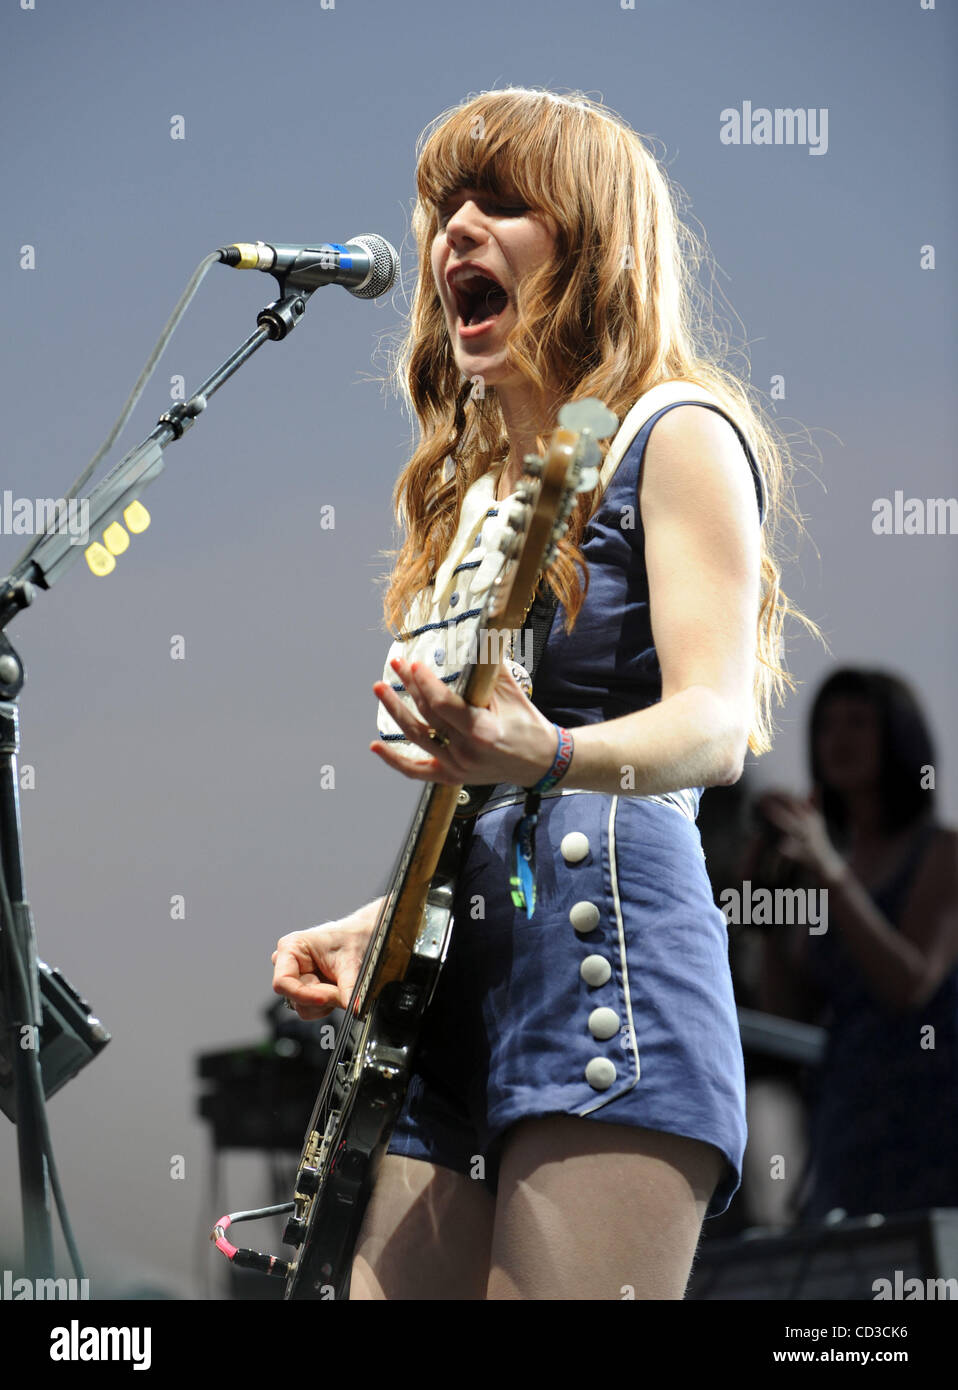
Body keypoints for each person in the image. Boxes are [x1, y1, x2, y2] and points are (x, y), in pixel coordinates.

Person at [271, 86, 817, 1300]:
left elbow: (716, 726)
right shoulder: (475, 502)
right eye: (444, 205)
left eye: (504, 202)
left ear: (591, 244)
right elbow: (482, 797)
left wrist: (550, 757)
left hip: (610, 966)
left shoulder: (672, 431)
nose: (454, 228)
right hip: (464, 989)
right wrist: (384, 922)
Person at [757, 668, 958, 1223]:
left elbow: (910, 984)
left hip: (931, 1113)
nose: (838, 740)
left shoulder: (941, 852)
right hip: (845, 1117)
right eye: (827, 726)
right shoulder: (823, 865)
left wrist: (828, 870)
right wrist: (765, 905)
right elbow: (786, 1013)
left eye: (859, 723)